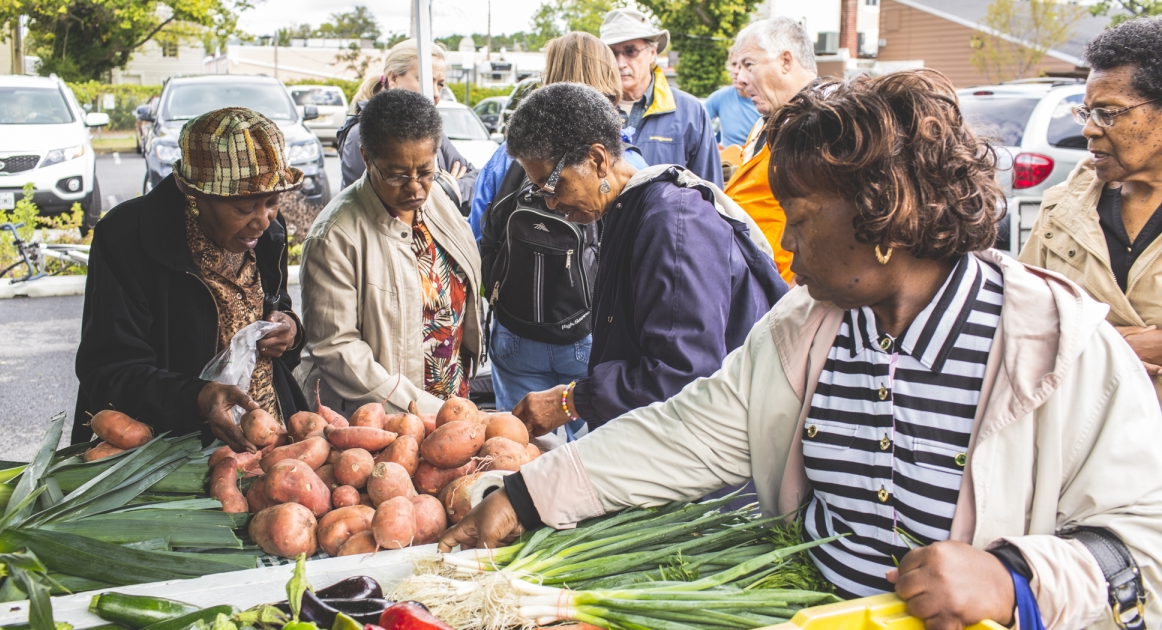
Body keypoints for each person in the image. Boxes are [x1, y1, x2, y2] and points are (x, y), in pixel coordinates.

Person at [441, 71, 1162, 630]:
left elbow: (1145, 552)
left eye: (803, 218)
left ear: (886, 211)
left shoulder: (1061, 348)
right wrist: (529, 497)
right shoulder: (806, 328)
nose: (784, 244)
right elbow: (687, 432)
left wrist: (1016, 580)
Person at [503, 83, 788, 437]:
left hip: (712, 452)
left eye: (552, 185)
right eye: (539, 191)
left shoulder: (674, 221)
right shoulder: (627, 212)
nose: (550, 204)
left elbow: (681, 374)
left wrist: (569, 401)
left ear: (597, 159)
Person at [74, 108, 307, 452]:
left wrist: (290, 331)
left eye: (272, 202)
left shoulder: (269, 233)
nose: (262, 221)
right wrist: (197, 397)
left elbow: (277, 307)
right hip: (168, 448)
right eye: (243, 208)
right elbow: (108, 371)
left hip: (269, 433)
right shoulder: (127, 239)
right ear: (193, 193)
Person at [473, 33, 652, 429]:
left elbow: (477, 239)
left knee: (520, 450)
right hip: (592, 336)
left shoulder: (507, 158)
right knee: (588, 464)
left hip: (514, 332)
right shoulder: (626, 162)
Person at [297, 89, 483, 418]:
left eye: (425, 171)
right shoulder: (334, 238)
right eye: (396, 175)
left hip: (451, 401)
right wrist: (422, 409)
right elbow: (336, 347)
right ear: (367, 158)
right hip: (384, 417)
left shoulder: (435, 198)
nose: (414, 187)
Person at [1020, 16, 1162, 405]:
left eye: (1109, 112)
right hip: (1085, 438)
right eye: (1087, 113)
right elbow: (1022, 323)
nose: (1089, 129)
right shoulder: (1062, 210)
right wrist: (1106, 345)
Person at [467, 33, 649, 240]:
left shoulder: (510, 154)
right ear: (611, 81)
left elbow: (475, 238)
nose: (551, 201)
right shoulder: (630, 165)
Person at [724, 17, 820, 283]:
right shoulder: (766, 118)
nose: (740, 79)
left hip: (789, 285)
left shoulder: (823, 123)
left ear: (786, 61)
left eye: (749, 65)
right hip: (753, 279)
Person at [338, 40, 478, 214]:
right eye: (426, 80)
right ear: (393, 78)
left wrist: (439, 188)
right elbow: (396, 210)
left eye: (440, 84)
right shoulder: (362, 133)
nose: (435, 93)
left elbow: (476, 181)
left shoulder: (428, 131)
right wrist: (448, 185)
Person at [600, 8, 724, 188]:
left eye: (630, 51)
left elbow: (711, 191)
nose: (620, 63)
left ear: (652, 54)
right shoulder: (590, 109)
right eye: (612, 53)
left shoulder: (690, 111)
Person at [702, 47, 761, 147]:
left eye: (743, 66)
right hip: (727, 160)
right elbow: (695, 125)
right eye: (734, 64)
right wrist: (713, 149)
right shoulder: (720, 97)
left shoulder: (765, 101)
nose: (736, 71)